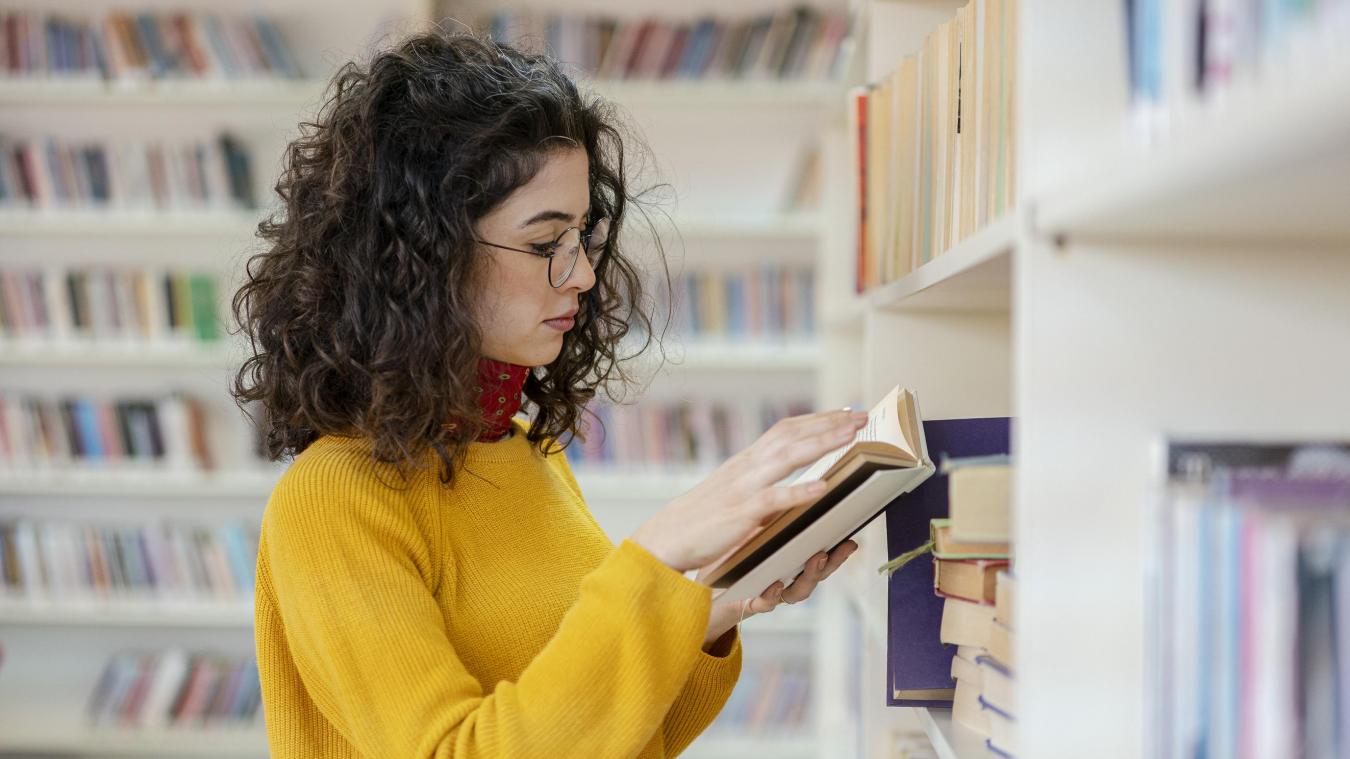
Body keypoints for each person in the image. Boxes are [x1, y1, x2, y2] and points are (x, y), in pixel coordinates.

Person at [232, 29, 864, 759]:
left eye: (583, 238)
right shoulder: (333, 500)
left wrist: (710, 612)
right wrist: (655, 560)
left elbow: (609, 737)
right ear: (421, 256)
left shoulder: (524, 450)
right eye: (543, 244)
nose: (584, 278)